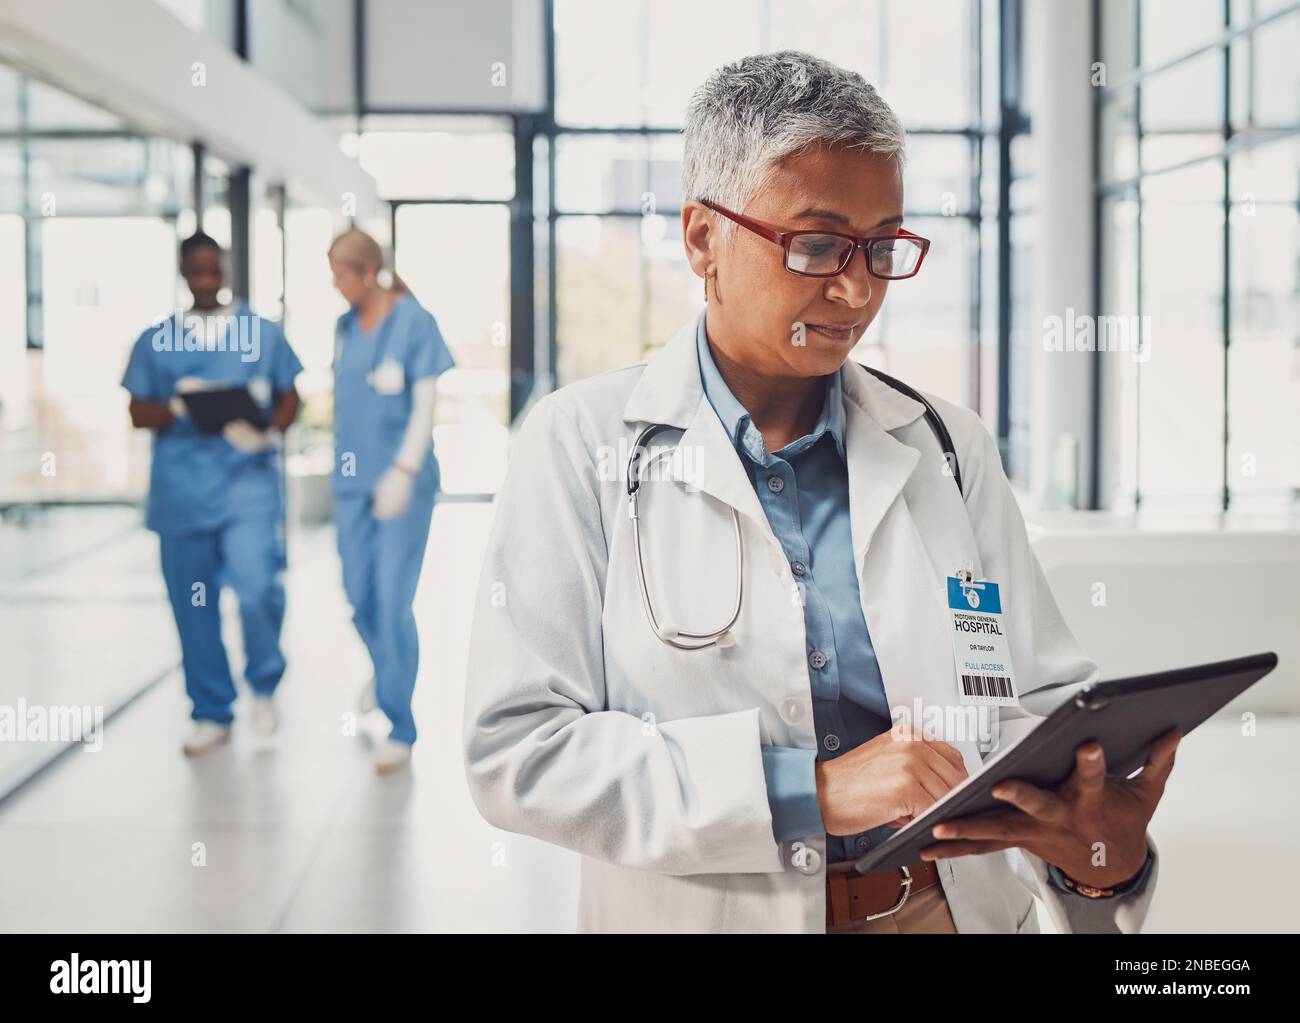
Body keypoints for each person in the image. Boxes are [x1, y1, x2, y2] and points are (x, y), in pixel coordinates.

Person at [462, 51, 1180, 934]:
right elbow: (518, 752)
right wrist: (810, 788)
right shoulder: (581, 445)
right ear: (702, 239)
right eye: (816, 244)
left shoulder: (945, 447)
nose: (859, 287)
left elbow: (1029, 706)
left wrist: (1095, 850)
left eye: (883, 246)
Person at [122, 231, 302, 756]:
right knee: (192, 608)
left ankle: (264, 685)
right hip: (181, 494)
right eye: (195, 271)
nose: (206, 280)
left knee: (257, 589)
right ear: (183, 273)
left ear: (226, 269)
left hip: (248, 485)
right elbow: (137, 411)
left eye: (213, 270)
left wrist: (269, 432)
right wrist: (179, 407)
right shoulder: (156, 339)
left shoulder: (262, 333)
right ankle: (211, 711)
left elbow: (291, 397)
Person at [327, 229, 455, 774]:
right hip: (351, 481)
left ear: (366, 272)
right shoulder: (343, 327)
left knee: (392, 602)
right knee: (358, 594)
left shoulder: (414, 321)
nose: (334, 285)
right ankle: (386, 674)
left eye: (339, 274)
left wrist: (403, 470)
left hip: (404, 483)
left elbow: (428, 401)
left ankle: (401, 726)